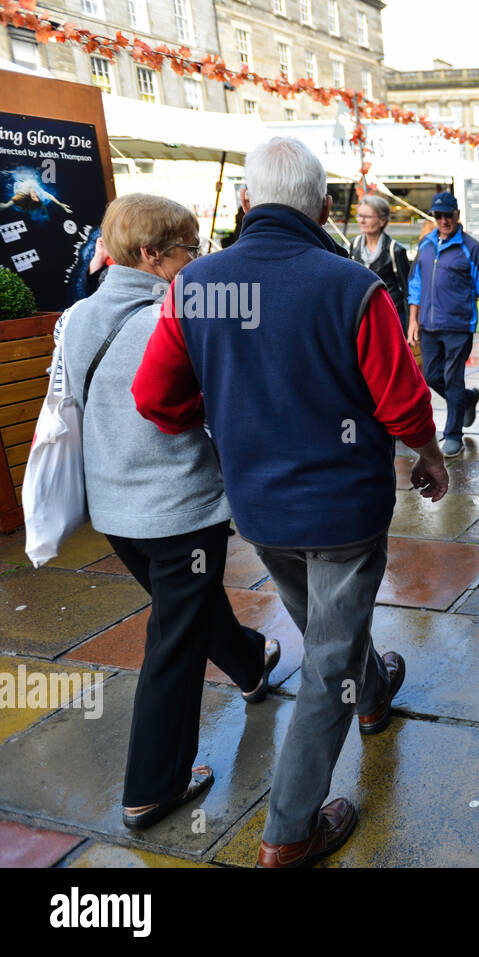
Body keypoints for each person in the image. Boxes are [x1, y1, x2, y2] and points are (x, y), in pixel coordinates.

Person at [133, 137, 450, 868]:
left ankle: (373, 693)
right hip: (343, 510)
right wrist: (429, 455)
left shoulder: (196, 284)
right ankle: (289, 830)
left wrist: (223, 422)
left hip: (258, 506)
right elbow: (401, 401)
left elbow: (155, 397)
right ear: (325, 206)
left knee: (326, 624)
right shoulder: (351, 287)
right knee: (328, 657)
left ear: (248, 201)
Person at [56, 193, 276, 833]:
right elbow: (222, 400)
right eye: (188, 248)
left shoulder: (78, 316)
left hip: (114, 511)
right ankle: (153, 788)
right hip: (179, 509)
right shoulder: (176, 317)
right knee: (173, 642)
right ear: (152, 255)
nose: (196, 259)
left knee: (188, 606)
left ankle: (249, 663)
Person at [406, 192, 479, 458]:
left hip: (458, 327)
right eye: (438, 215)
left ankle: (453, 435)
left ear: (457, 215)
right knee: (431, 377)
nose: (443, 220)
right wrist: (413, 321)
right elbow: (415, 285)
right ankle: (468, 399)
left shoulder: (471, 248)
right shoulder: (426, 244)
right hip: (429, 326)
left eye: (447, 215)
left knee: (452, 379)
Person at [349, 194, 410, 317]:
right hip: (361, 313)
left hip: (388, 314)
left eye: (367, 217)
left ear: (382, 220)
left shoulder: (395, 250)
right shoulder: (354, 245)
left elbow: (407, 290)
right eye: (359, 216)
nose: (361, 221)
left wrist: (410, 322)